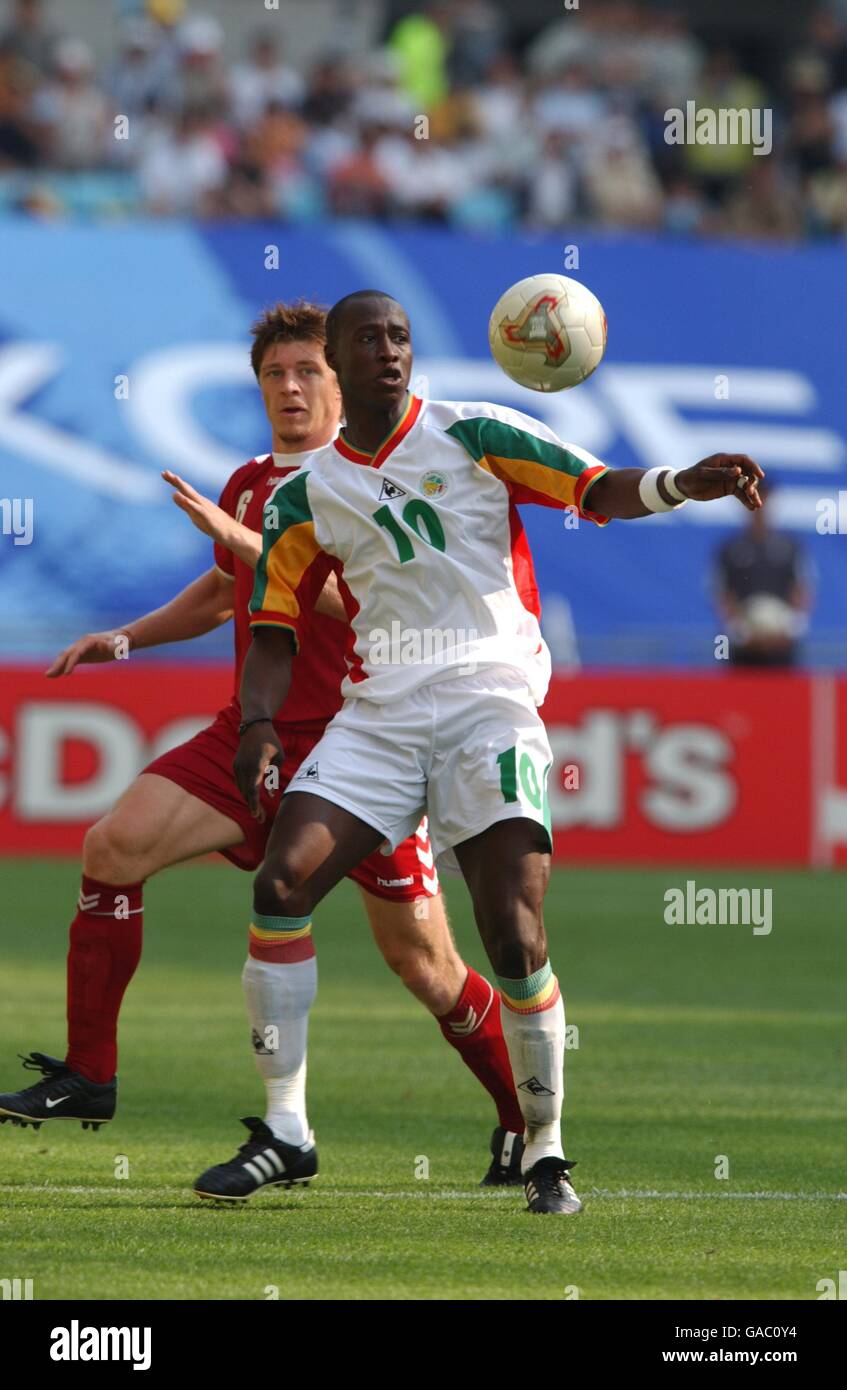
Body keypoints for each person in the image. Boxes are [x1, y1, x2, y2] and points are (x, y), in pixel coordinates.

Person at [235, 288, 764, 1215]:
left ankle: (546, 1149)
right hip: (379, 715)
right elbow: (273, 626)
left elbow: (593, 488)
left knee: (513, 936)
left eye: (399, 336)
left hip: (488, 701)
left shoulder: (475, 432)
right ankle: (286, 1131)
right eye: (369, 340)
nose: (390, 352)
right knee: (280, 886)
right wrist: (258, 725)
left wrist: (682, 482)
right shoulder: (306, 495)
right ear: (338, 362)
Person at [0, 302, 528, 1197]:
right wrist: (123, 638)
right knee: (112, 846)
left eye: (308, 373)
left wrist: (246, 543)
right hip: (254, 735)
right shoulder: (250, 481)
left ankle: (525, 1122)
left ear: (342, 380)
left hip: (366, 743)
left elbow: (372, 611)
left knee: (425, 966)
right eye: (274, 375)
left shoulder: (371, 481)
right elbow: (223, 591)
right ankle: (93, 1075)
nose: (290, 388)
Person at [713, 481, 811, 666]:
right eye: (752, 499)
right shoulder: (730, 550)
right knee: (741, 694)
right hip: (744, 646)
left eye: (764, 498)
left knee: (783, 694)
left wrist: (791, 629)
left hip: (781, 643)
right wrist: (740, 632)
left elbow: (802, 589)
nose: (759, 507)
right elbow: (722, 594)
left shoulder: (790, 547)